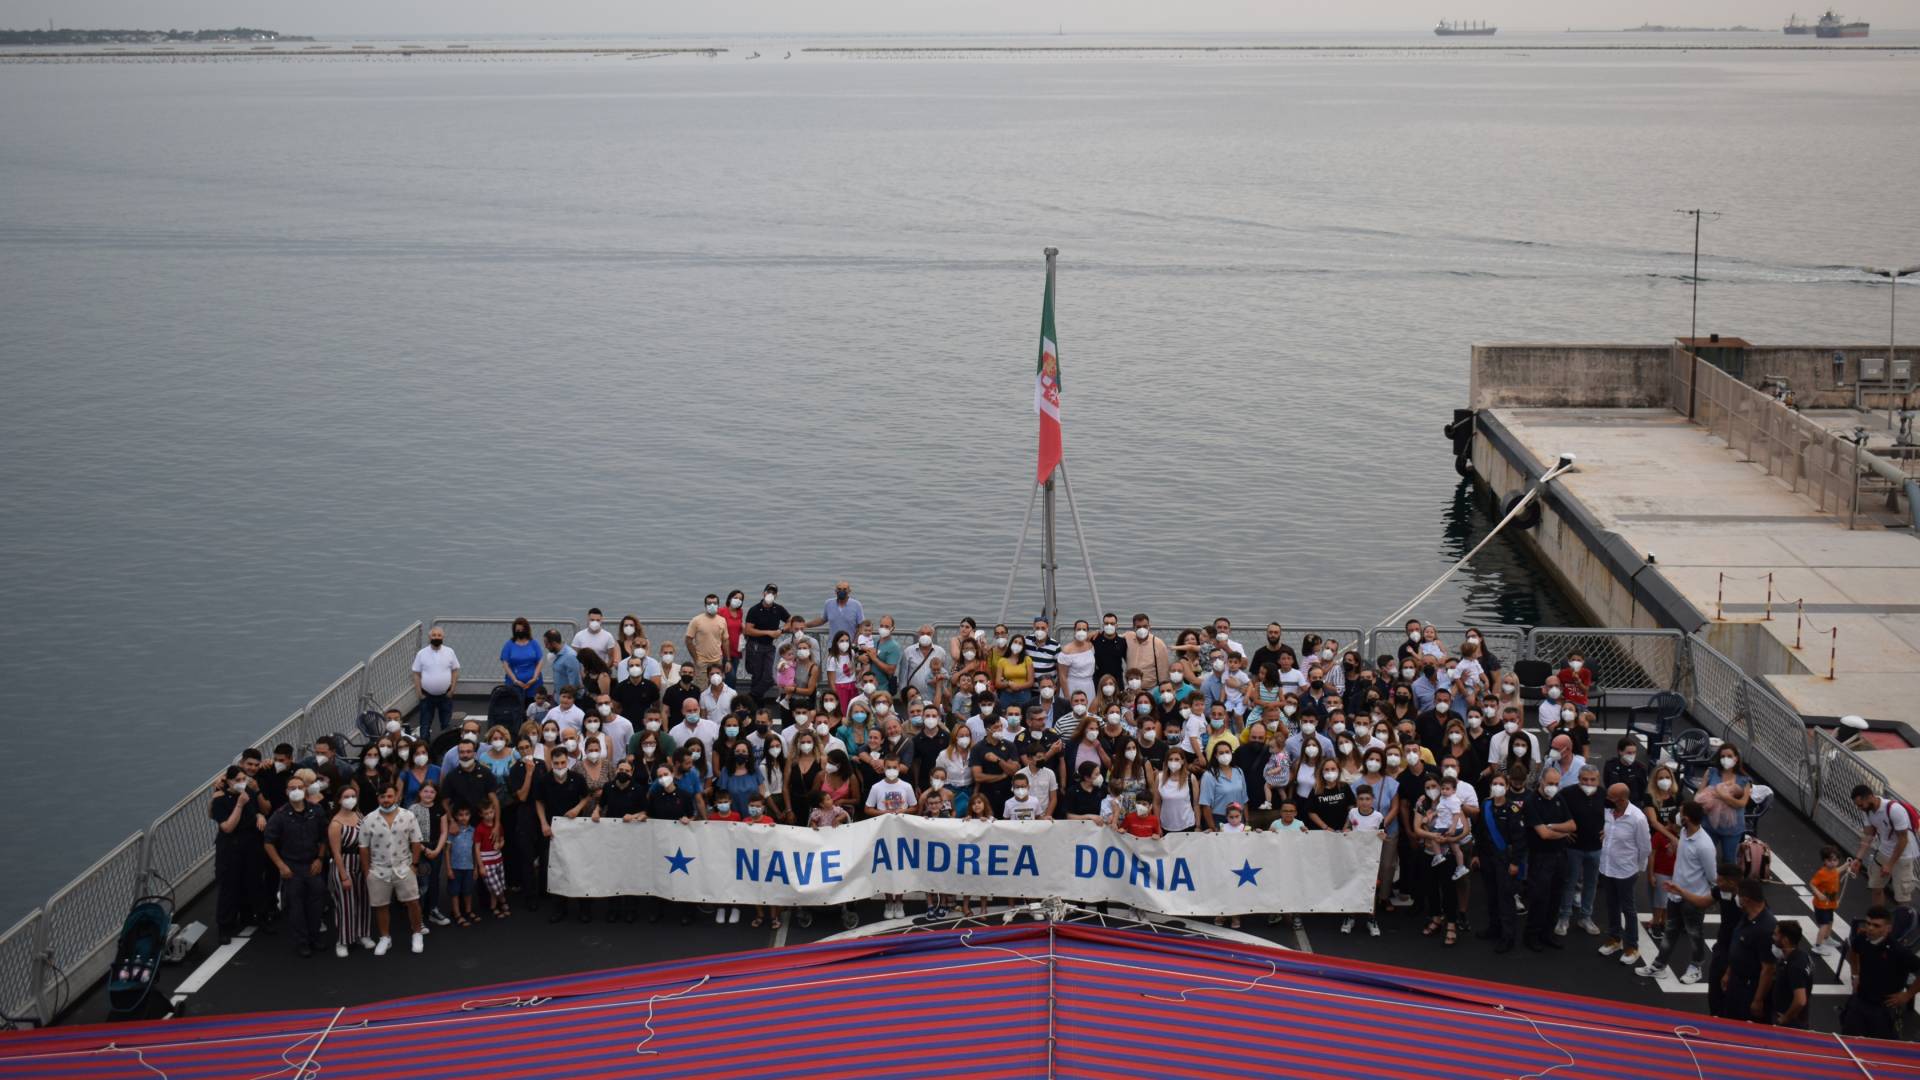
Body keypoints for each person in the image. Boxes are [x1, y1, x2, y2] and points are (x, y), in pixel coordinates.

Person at [1636, 800, 1716, 985]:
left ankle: (1696, 968)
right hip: (1675, 895)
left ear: (1686, 819)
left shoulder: (1704, 845)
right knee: (1670, 932)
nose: (1678, 816)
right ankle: (1659, 965)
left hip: (1693, 899)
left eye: (1680, 813)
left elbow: (1712, 875)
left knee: (1695, 934)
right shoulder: (1684, 833)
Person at [262, 774, 330, 957]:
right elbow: (268, 842)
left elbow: (324, 837)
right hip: (292, 867)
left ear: (306, 789)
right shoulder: (279, 815)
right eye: (292, 788)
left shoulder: (316, 811)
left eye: (300, 787)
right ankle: (302, 942)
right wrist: (280, 866)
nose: (297, 791)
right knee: (296, 908)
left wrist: (320, 859)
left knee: (316, 905)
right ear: (286, 791)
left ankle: (315, 937)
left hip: (313, 865)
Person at [359, 782, 426, 956]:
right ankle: (385, 937)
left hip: (404, 867)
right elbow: (363, 847)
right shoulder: (368, 819)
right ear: (378, 798)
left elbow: (416, 841)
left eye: (389, 796)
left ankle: (417, 933)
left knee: (413, 902)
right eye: (382, 797)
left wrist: (415, 865)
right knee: (381, 906)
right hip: (378, 870)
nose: (386, 800)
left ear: (396, 796)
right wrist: (367, 871)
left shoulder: (408, 816)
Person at [211, 763, 269, 944]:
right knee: (229, 887)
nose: (242, 783)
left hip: (250, 846)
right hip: (230, 849)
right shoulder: (220, 800)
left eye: (244, 779)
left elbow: (257, 812)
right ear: (228, 781)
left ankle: (253, 916)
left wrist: (260, 816)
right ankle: (225, 926)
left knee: (253, 882)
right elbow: (227, 827)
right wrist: (239, 805)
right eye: (237, 780)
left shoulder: (249, 794)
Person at [1843, 905, 1920, 1038]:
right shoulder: (1862, 939)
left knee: (1881, 1049)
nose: (1870, 928)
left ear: (1888, 928)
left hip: (1884, 1008)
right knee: (1847, 1040)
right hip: (1860, 1000)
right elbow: (1853, 952)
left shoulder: (1898, 951)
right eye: (1868, 923)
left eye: (1876, 925)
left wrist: (1907, 995)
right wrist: (1855, 974)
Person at [1596, 782, 1651, 967]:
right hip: (1607, 867)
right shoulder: (1608, 813)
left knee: (1628, 909)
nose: (1607, 799)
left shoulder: (1637, 818)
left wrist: (1637, 868)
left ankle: (1632, 946)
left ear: (1621, 799)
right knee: (1611, 905)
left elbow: (1645, 848)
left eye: (1611, 797)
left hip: (1626, 871)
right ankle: (1614, 939)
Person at [534, 746, 591, 923]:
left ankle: (584, 908)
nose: (560, 766)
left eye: (563, 763)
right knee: (557, 869)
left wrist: (577, 809)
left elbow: (586, 797)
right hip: (554, 832)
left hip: (576, 830)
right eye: (556, 763)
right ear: (551, 763)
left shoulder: (578, 778)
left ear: (568, 761)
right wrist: (543, 823)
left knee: (579, 868)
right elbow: (539, 801)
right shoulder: (544, 780)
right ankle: (559, 907)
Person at [1521, 767, 1574, 952]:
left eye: (1556, 784)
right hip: (1541, 857)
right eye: (1550, 783)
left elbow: (1572, 825)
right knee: (1539, 898)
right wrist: (1562, 832)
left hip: (1560, 856)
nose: (1553, 787)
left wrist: (1553, 827)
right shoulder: (1531, 802)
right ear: (1541, 781)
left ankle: (1547, 933)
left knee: (1555, 896)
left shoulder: (1559, 799)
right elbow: (1543, 834)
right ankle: (1532, 935)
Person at [1477, 770, 1527, 953]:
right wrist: (1476, 855)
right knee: (1491, 895)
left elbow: (1520, 840)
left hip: (1505, 859)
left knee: (1505, 898)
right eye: (1494, 784)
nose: (1497, 787)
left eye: (1501, 784)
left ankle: (1508, 936)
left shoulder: (1513, 809)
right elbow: (1480, 832)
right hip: (1487, 858)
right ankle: (1494, 928)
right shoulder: (1486, 805)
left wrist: (1515, 863)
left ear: (1506, 787)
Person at [1555, 764, 1606, 938]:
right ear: (1579, 779)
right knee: (1570, 882)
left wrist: (1609, 830)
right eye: (1585, 779)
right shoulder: (1567, 793)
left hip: (1596, 849)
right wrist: (1564, 832)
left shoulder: (1604, 794)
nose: (1589, 782)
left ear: (1598, 780)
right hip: (1573, 848)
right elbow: (1555, 813)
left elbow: (1615, 815)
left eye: (1592, 779)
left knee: (1591, 884)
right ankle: (1564, 918)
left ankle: (1586, 917)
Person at [1851, 784, 1918, 909]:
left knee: (1902, 898)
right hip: (1883, 852)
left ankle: (1901, 925)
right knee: (1876, 887)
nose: (1859, 808)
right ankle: (1878, 918)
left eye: (1860, 804)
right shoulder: (1867, 811)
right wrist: (1858, 859)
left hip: (1903, 856)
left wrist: (1890, 864)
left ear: (1870, 797)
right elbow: (1868, 836)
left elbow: (1903, 840)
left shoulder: (1894, 810)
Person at [1719, 879, 1776, 1023]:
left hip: (1750, 988)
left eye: (1738, 895)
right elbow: (1739, 946)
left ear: (1746, 899)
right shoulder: (1747, 916)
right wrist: (1728, 973)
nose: (1736, 898)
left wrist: (1757, 1000)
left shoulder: (1766, 928)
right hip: (1736, 982)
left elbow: (1768, 968)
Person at [327, 787, 375, 958]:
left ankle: (363, 934)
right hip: (345, 864)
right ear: (339, 800)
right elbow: (336, 852)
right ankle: (343, 940)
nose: (350, 799)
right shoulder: (335, 823)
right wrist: (343, 876)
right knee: (346, 905)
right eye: (346, 796)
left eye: (353, 796)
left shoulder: (360, 816)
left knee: (364, 900)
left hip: (362, 864)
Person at [1342, 786, 1386, 937]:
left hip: (1370, 858)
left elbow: (1383, 834)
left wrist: (1382, 836)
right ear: (1357, 800)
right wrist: (1346, 831)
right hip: (1353, 857)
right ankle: (1350, 917)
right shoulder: (1352, 813)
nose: (1364, 802)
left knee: (1370, 889)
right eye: (1361, 799)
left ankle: (1371, 919)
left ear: (1372, 800)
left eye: (1367, 799)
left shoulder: (1378, 816)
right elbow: (1347, 827)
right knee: (1352, 886)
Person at [1699, 745, 1753, 865]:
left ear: (1736, 758)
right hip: (1709, 825)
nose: (1725, 759)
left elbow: (1742, 803)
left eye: (1729, 756)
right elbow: (1699, 795)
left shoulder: (1744, 780)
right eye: (1723, 756)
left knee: (1729, 861)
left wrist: (1722, 797)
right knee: (1704, 858)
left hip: (1732, 830)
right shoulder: (1711, 772)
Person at [410, 627, 460, 740]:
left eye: (439, 635)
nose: (436, 637)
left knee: (446, 725)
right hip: (427, 696)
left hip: (445, 695)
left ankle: (444, 749)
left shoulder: (450, 652)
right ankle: (424, 749)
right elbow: (416, 673)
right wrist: (419, 693)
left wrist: (452, 689)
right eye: (434, 635)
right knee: (425, 725)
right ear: (429, 637)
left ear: (443, 637)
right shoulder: (421, 654)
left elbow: (455, 670)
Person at [1770, 921, 1814, 1029]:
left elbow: (1800, 1000)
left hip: (1791, 1024)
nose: (1773, 937)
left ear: (1785, 940)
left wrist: (1785, 1018)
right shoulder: (1803, 956)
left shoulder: (1795, 966)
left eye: (1776, 935)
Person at [1809, 845, 1844, 958]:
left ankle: (1827, 938)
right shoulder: (1822, 873)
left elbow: (1838, 871)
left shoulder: (1833, 870)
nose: (1833, 863)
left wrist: (1848, 865)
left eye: (1835, 860)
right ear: (1824, 861)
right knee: (1824, 925)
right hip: (1821, 905)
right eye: (1830, 860)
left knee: (1830, 921)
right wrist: (1818, 894)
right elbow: (1812, 883)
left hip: (1830, 903)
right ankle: (1818, 945)